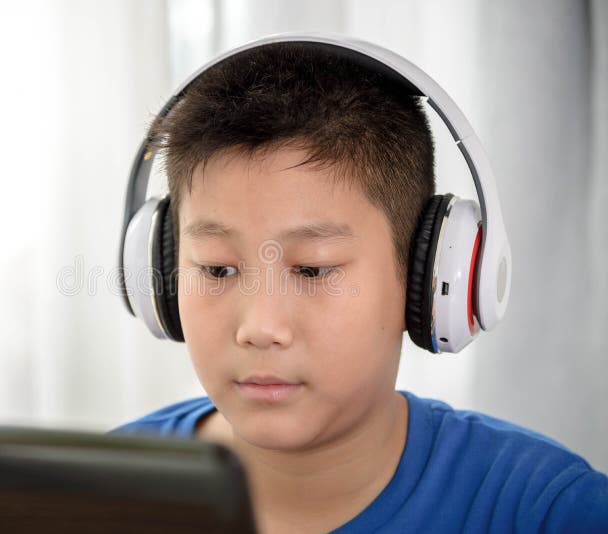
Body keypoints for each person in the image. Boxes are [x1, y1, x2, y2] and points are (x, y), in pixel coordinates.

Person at [109, 39, 608, 533]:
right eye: (217, 270)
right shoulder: (103, 495)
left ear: (430, 279)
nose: (260, 328)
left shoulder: (548, 510)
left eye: (313, 270)